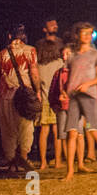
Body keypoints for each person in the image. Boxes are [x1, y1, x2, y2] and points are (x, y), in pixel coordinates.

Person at [63, 23, 97, 179]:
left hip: (89, 96)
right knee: (71, 132)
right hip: (73, 96)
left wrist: (87, 84)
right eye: (83, 33)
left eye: (89, 33)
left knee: (93, 129)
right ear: (77, 35)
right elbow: (67, 75)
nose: (86, 36)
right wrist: (64, 92)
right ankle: (70, 171)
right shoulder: (72, 55)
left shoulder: (96, 54)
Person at [0, 27, 40, 173]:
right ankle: (24, 157)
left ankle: (11, 159)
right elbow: (34, 73)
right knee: (25, 126)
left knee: (8, 128)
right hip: (23, 94)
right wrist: (37, 91)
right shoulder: (30, 50)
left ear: (9, 36)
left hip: (5, 94)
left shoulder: (1, 54)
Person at [34, 36, 64, 169]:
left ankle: (43, 162)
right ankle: (57, 161)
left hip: (44, 100)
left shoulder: (38, 66)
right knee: (57, 131)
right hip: (56, 100)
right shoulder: (59, 63)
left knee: (43, 131)